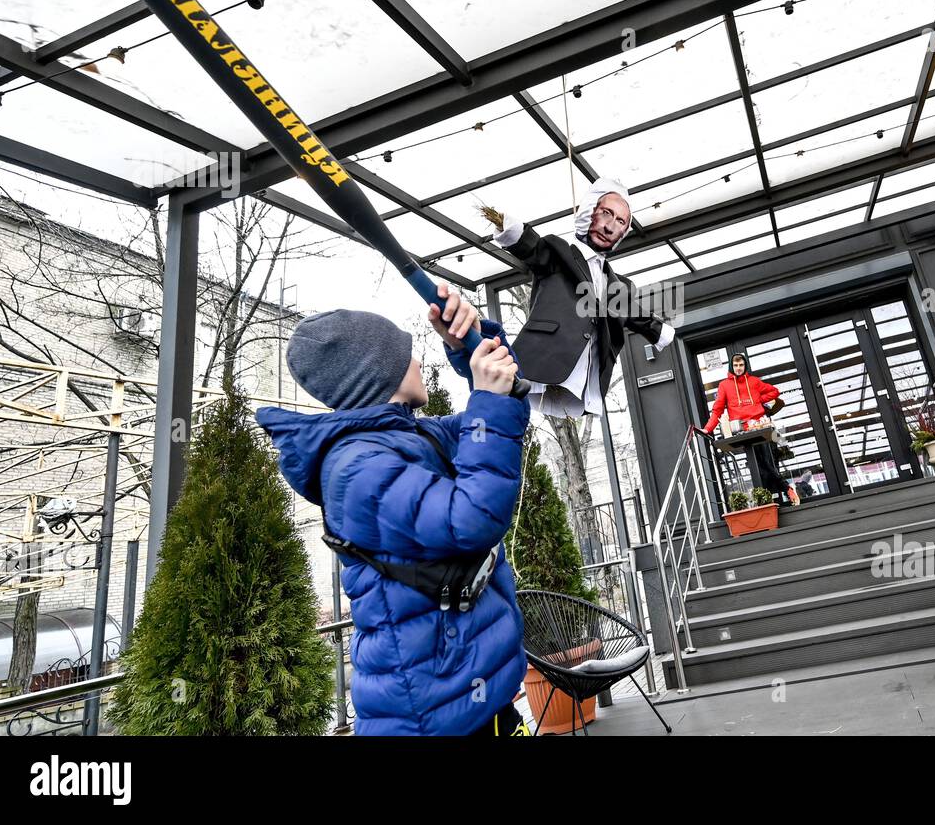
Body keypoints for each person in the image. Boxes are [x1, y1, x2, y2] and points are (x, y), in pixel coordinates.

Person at [255, 285, 532, 736]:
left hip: (472, 694)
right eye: (405, 354)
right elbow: (473, 519)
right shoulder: (357, 468)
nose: (419, 361)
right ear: (376, 373)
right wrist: (486, 398)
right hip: (434, 711)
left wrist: (473, 343)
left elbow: (506, 415)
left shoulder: (413, 437)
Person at [485, 177, 675, 418]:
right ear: (589, 212)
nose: (610, 227)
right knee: (512, 417)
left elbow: (633, 313)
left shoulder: (620, 285)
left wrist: (659, 331)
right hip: (543, 361)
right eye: (606, 213)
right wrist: (510, 229)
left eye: (620, 222)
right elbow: (535, 249)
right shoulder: (559, 252)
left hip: (584, 379)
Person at [702, 352, 790, 504]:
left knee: (769, 463)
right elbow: (717, 410)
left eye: (741, 365)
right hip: (743, 431)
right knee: (757, 466)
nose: (738, 368)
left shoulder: (754, 382)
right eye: (735, 365)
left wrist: (757, 400)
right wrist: (708, 429)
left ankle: (781, 495)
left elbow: (774, 391)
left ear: (745, 366)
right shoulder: (724, 385)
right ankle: (771, 499)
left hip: (761, 426)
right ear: (731, 366)